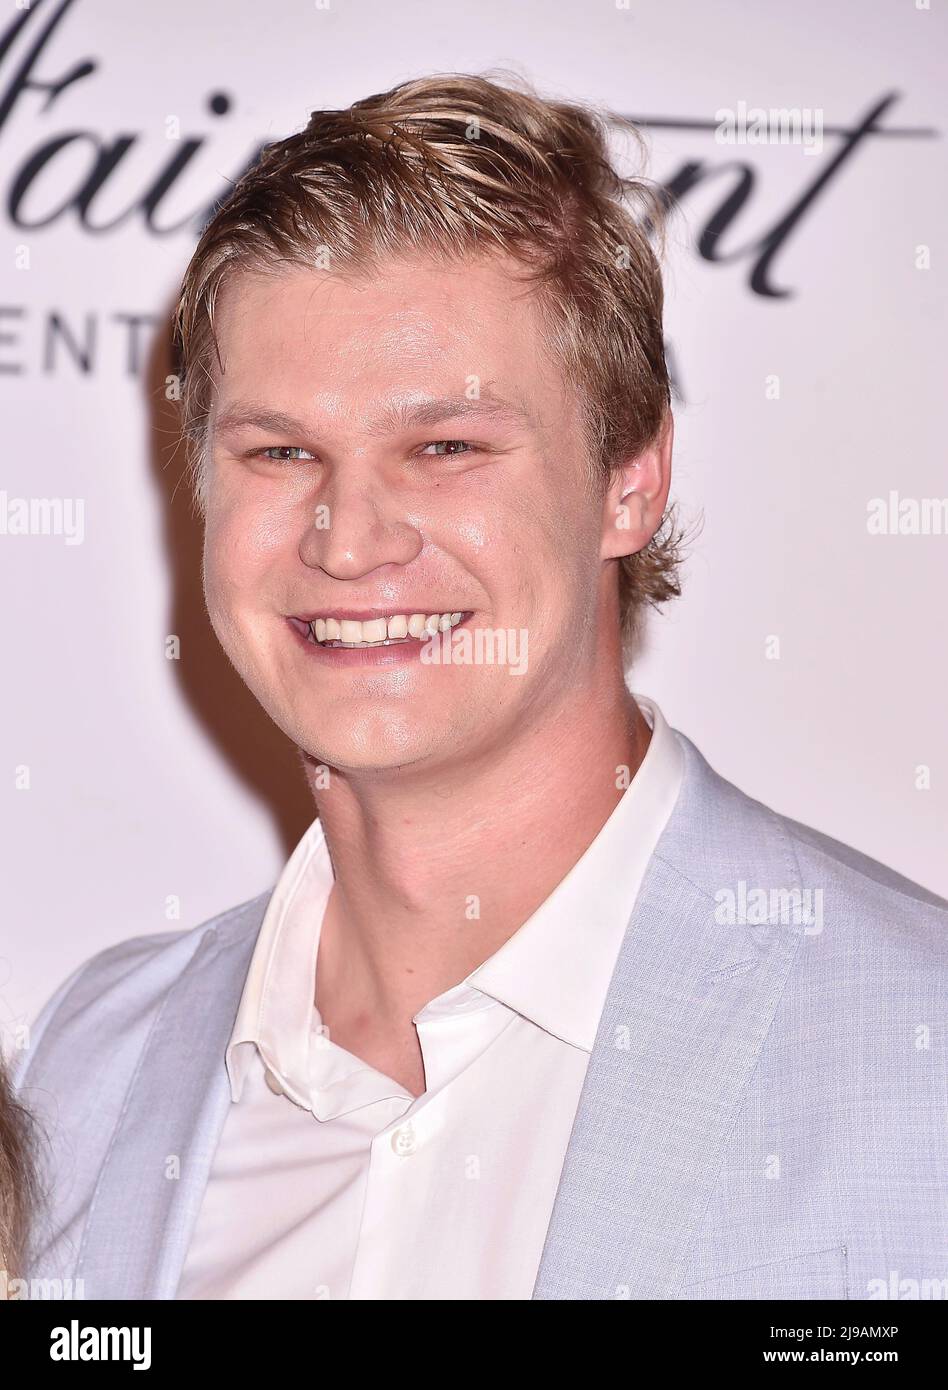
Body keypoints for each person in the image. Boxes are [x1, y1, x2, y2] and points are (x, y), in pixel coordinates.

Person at [13, 72, 947, 1301]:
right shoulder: (89, 1069)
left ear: (632, 480)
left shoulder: (916, 1059)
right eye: (281, 451)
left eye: (445, 448)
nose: (348, 541)